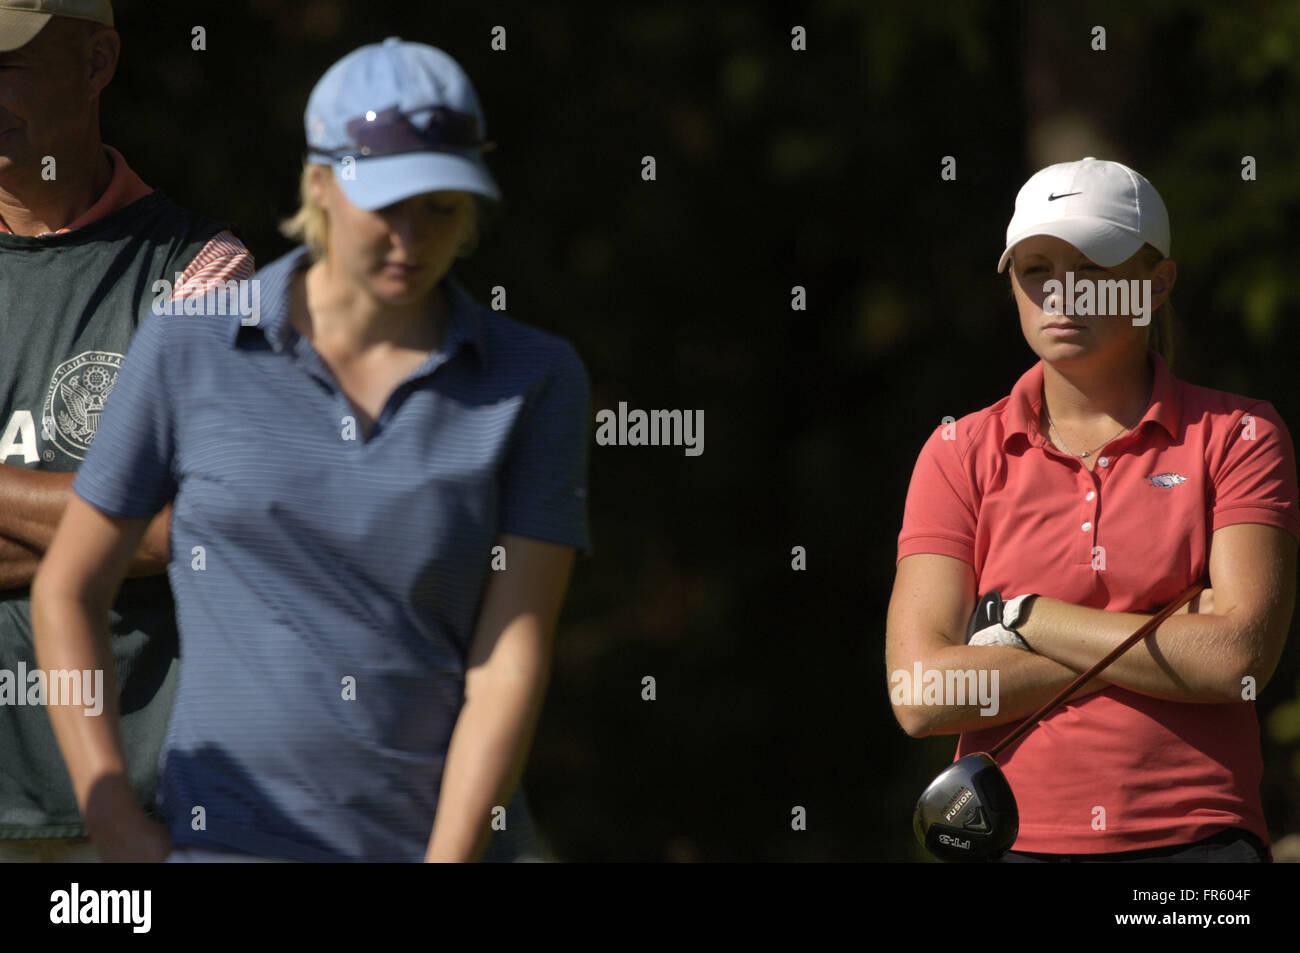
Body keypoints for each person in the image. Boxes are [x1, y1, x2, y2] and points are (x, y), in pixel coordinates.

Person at [31, 36, 589, 863]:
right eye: (387, 203)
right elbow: (68, 588)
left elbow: (509, 655)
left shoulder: (532, 378)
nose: (412, 236)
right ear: (321, 184)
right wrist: (110, 808)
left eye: (440, 204)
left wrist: (449, 858)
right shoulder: (192, 342)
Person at [887, 157, 1298, 862]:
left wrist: (1020, 620)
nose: (1061, 293)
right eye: (1036, 268)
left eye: (1094, 267)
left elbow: (1238, 659)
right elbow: (923, 691)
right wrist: (1170, 624)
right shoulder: (958, 451)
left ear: (1157, 283)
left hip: (1198, 845)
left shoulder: (1240, 434)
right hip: (1011, 843)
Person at [0, 0, 253, 862]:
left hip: (159, 813)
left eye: (8, 64)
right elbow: (156, 527)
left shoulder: (206, 270)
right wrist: (118, 524)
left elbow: (206, 526)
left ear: (98, 59)